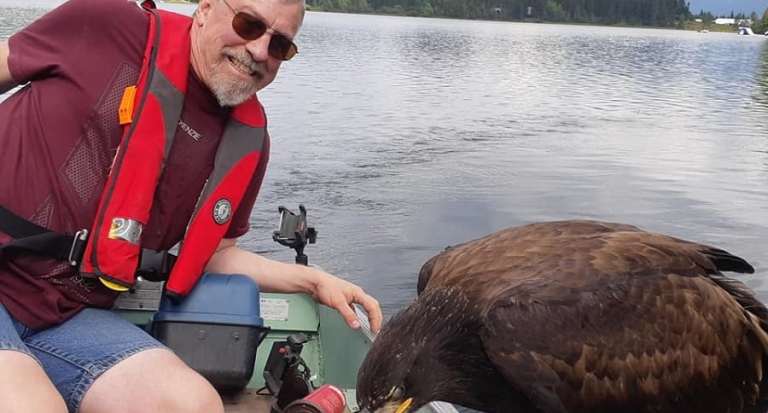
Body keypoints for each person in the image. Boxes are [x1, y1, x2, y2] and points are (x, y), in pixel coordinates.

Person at [0, 0, 382, 412]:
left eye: (280, 46)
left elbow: (216, 256)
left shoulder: (248, 143)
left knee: (194, 404)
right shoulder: (107, 24)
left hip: (68, 315)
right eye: (248, 24)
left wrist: (311, 282)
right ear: (204, 9)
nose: (259, 51)